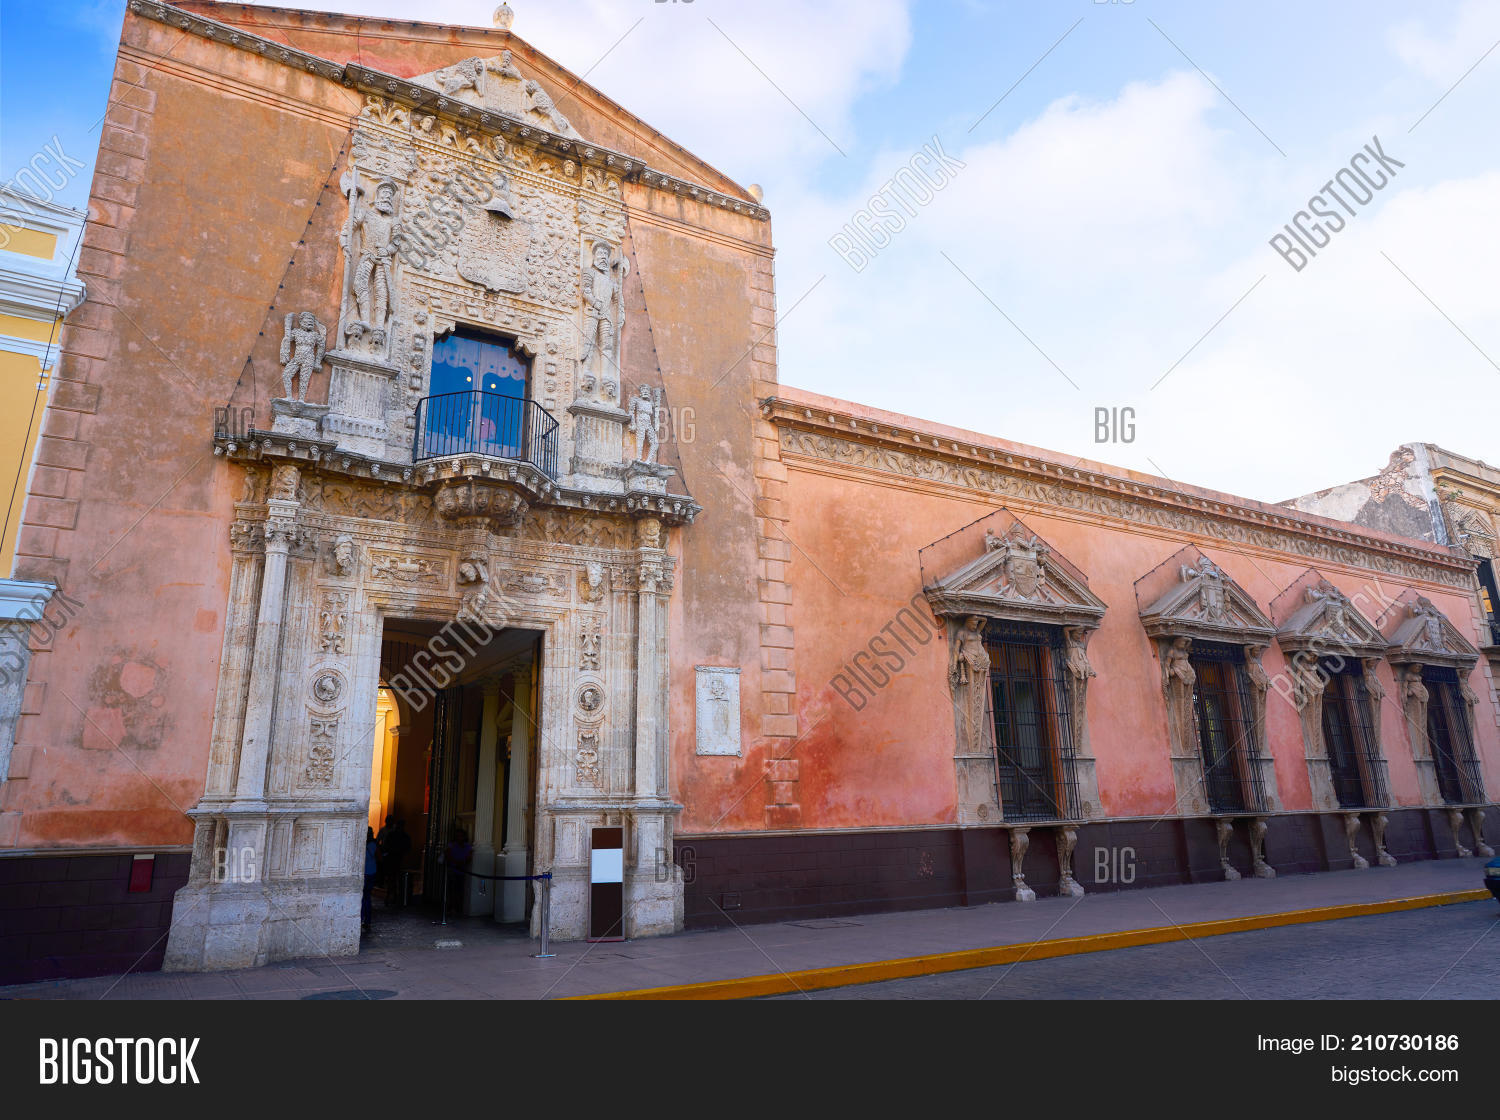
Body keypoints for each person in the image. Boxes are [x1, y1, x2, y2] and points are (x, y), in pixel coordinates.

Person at [377, 816, 412, 909]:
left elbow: (384, 844)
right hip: (397, 859)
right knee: (394, 879)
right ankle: (394, 897)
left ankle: (390, 897)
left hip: (391, 858)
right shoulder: (403, 836)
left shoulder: (392, 834)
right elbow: (408, 847)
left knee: (391, 879)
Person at [361, 827, 378, 933]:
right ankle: (367, 920)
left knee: (363, 897)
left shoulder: (362, 843)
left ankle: (362, 918)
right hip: (372, 871)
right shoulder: (374, 844)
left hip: (364, 872)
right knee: (368, 897)